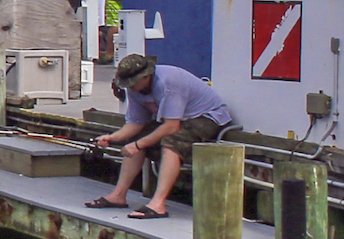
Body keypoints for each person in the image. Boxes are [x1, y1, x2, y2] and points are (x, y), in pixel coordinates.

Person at [86, 53, 235, 218]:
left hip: (208, 116)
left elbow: (171, 127)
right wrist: (113, 137)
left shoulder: (169, 83)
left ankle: (158, 204)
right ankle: (118, 195)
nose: (130, 87)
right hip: (178, 120)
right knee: (137, 138)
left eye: (132, 83)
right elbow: (136, 123)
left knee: (171, 142)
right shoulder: (135, 90)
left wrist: (138, 145)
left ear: (146, 76)